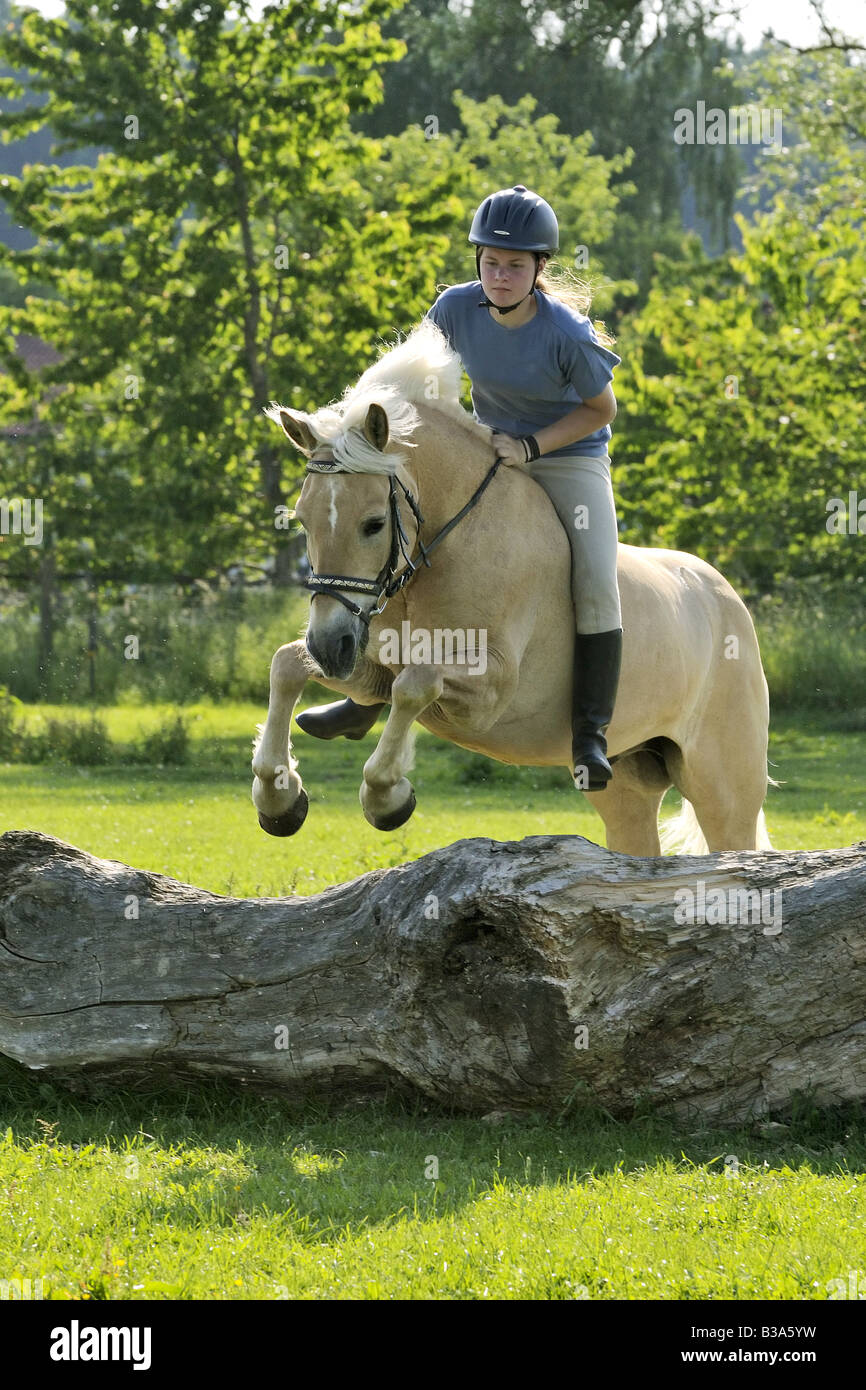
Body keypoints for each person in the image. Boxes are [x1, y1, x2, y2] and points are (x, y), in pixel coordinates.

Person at [296, 184, 623, 792]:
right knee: (401, 537)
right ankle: (367, 695)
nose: (500, 275)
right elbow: (413, 389)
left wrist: (532, 446)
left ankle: (590, 736)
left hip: (566, 457)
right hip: (488, 446)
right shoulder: (453, 309)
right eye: (491, 262)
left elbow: (601, 409)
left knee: (598, 583)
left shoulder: (566, 331)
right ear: (478, 261)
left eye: (515, 265)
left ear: (538, 269)